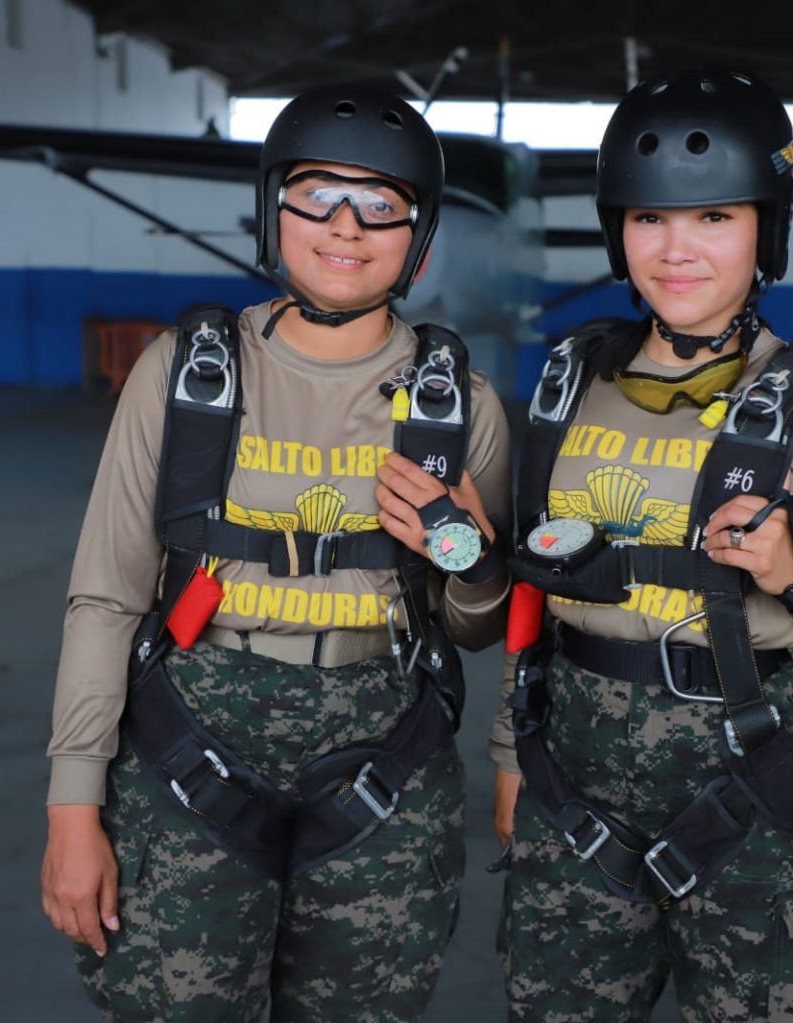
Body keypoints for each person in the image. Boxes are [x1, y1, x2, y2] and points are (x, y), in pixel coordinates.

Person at [39, 84, 511, 1022]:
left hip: (386, 758)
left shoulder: (461, 403)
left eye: (381, 204)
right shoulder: (185, 375)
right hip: (191, 741)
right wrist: (72, 805)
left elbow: (476, 623)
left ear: (417, 235)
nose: (345, 225)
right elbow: (105, 597)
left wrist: (467, 551)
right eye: (316, 193)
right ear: (274, 208)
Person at [492, 70, 793, 1022]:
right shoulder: (569, 389)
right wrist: (508, 752)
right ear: (619, 229)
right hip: (568, 789)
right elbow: (536, 587)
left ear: (764, 231)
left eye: (714, 219)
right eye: (650, 219)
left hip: (748, 792)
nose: (676, 249)